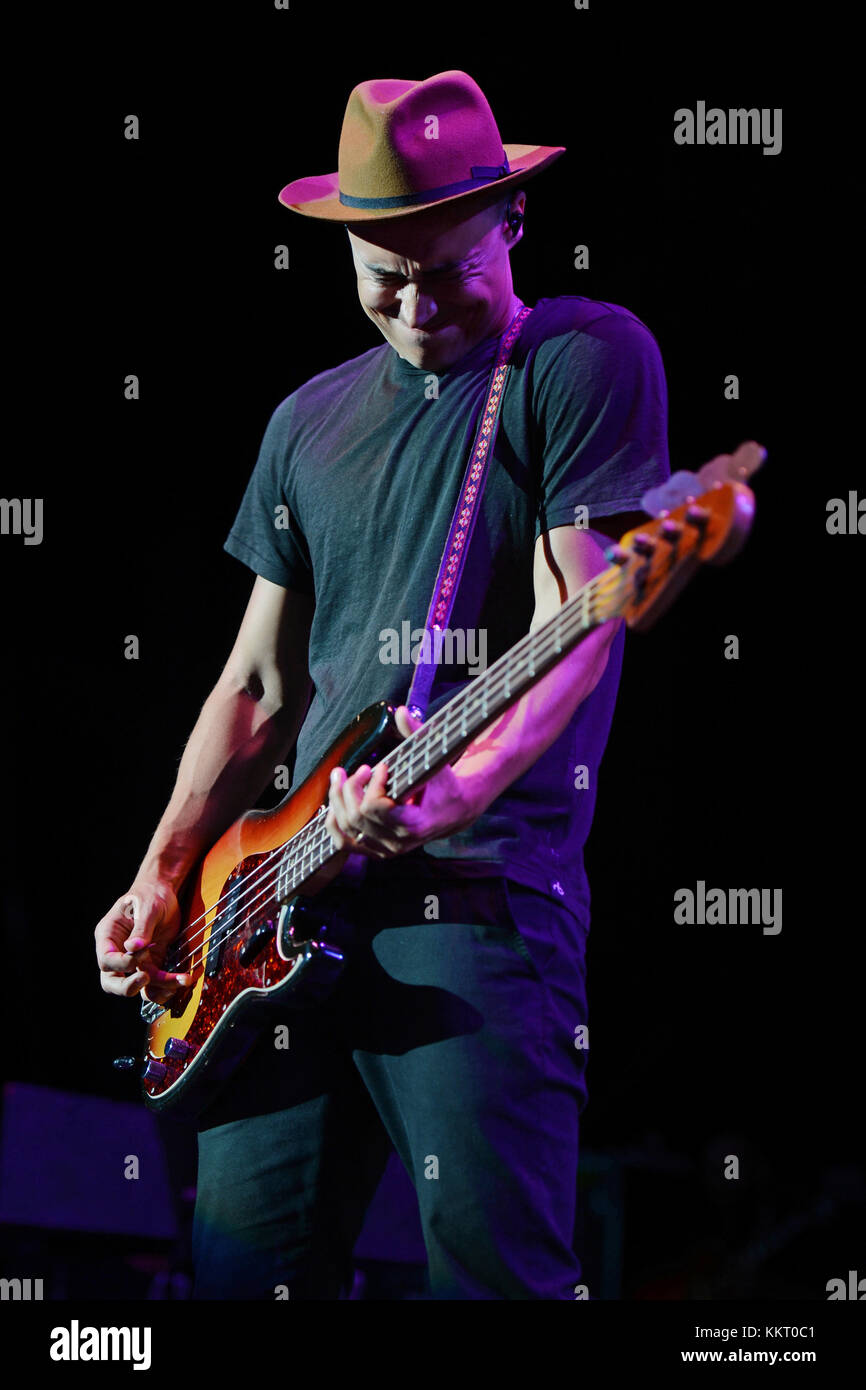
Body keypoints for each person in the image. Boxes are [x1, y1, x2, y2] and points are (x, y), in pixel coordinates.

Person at [94, 69, 669, 1300]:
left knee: (493, 1279)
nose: (415, 307)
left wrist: (454, 794)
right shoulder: (304, 420)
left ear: (511, 224)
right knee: (241, 1277)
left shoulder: (579, 355)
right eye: (381, 275)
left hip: (472, 897)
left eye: (448, 268)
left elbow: (579, 622)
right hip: (275, 909)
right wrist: (158, 873)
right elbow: (254, 682)